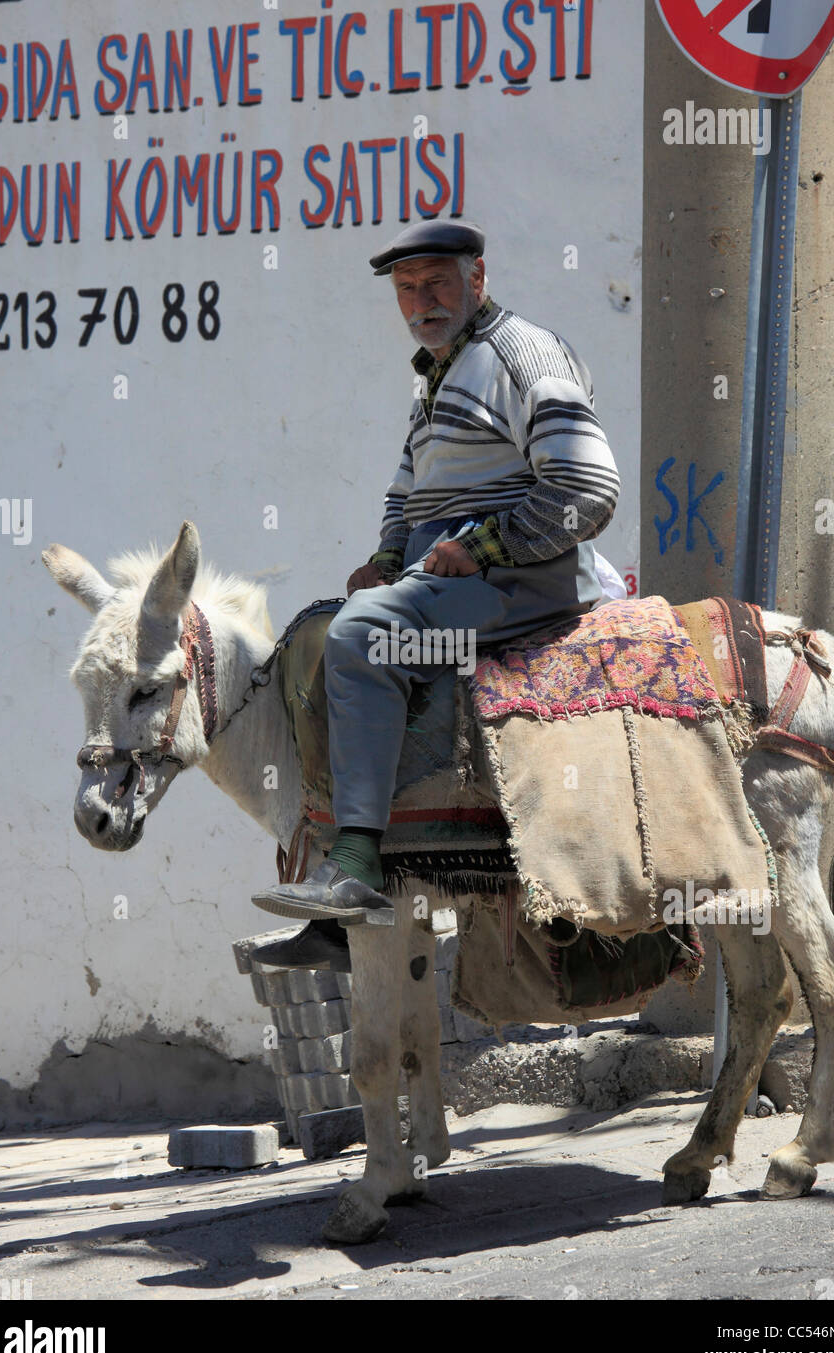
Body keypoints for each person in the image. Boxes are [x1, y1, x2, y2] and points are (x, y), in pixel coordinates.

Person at [251, 218, 620, 969]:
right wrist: (388, 554)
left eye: (439, 282)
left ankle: (355, 869)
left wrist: (483, 545)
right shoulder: (437, 371)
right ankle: (345, 914)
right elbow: (409, 488)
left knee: (363, 638)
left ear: (477, 279)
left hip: (523, 584)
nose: (422, 300)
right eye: (408, 288)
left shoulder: (524, 356)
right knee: (315, 639)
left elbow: (588, 489)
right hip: (449, 579)